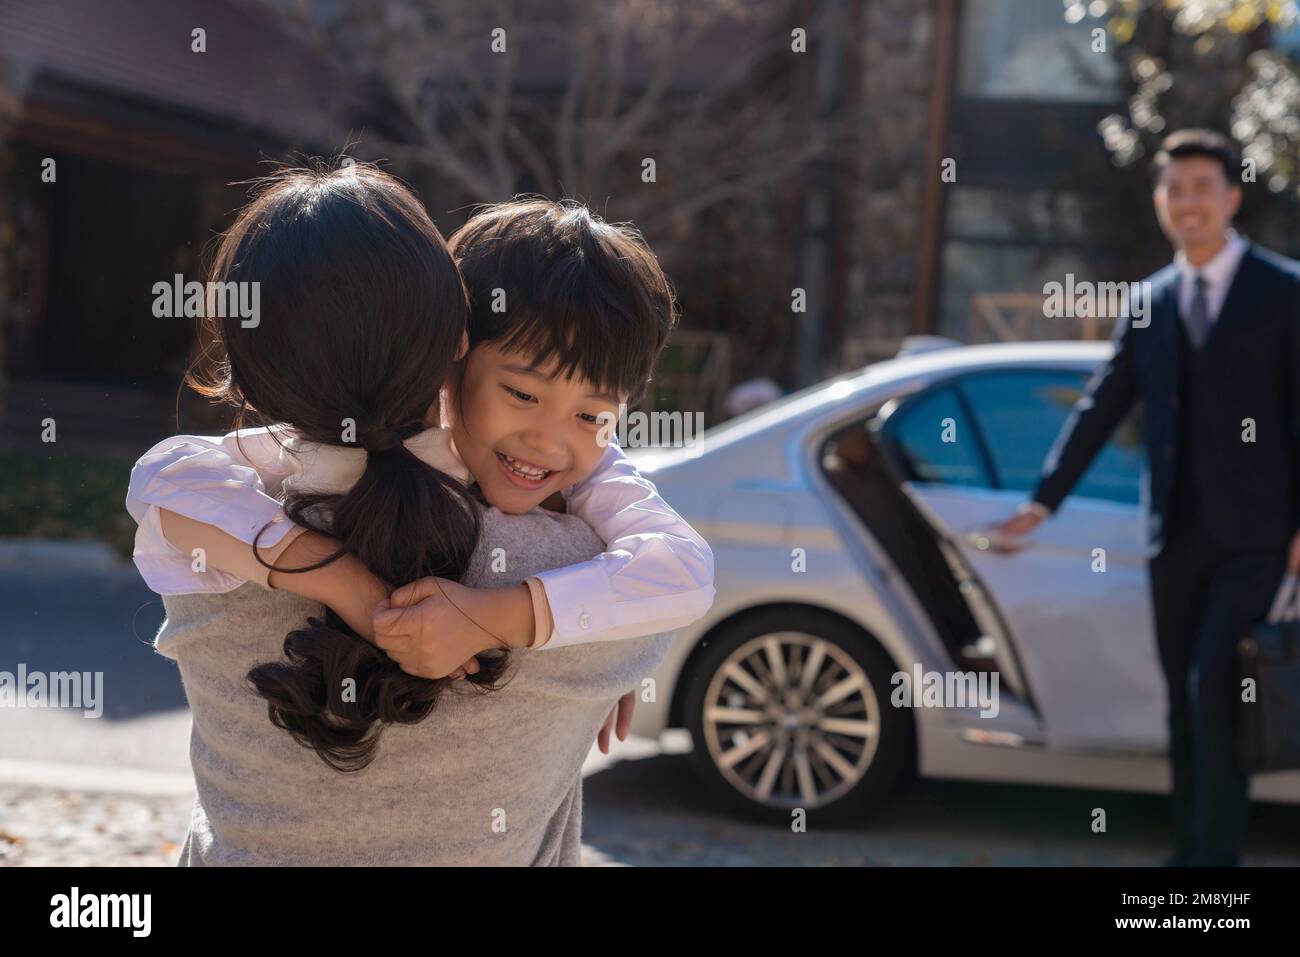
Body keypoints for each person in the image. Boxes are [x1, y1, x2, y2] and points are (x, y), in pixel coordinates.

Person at [125, 165, 712, 863]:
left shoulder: (226, 529)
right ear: (454, 349)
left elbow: (162, 480)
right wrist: (601, 650)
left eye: (592, 414)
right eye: (522, 394)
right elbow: (674, 577)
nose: (552, 437)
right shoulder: (578, 561)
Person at [996, 129, 1300, 866]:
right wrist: (1044, 501)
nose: (1187, 202)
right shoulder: (1150, 300)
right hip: (1173, 539)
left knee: (1215, 692)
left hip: (1257, 539)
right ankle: (1190, 849)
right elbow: (1101, 405)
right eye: (1175, 189)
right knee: (1183, 704)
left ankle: (1210, 867)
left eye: (1203, 188)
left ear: (1232, 197)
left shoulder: (1284, 291)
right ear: (1162, 202)